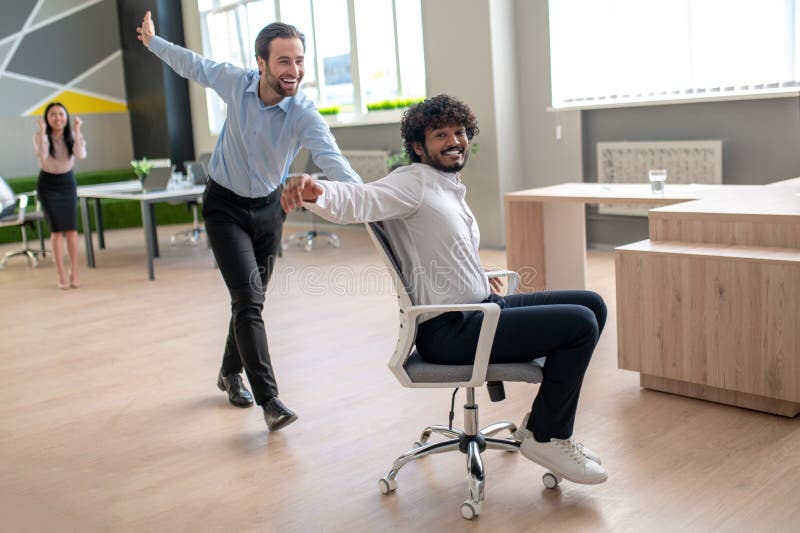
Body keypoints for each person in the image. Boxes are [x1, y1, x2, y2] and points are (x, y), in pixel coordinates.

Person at [281, 95, 608, 485]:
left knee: (592, 303)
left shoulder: (444, 184)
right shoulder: (412, 182)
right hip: (452, 331)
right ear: (419, 147)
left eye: (460, 132)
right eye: (441, 135)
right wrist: (316, 189)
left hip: (479, 307)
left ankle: (541, 425)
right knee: (580, 323)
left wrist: (475, 273)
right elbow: (360, 200)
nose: (454, 140)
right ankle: (548, 435)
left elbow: (442, 247)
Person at [136, 11, 361, 431]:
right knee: (249, 300)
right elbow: (192, 64)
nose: (294, 71)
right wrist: (152, 42)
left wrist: (372, 203)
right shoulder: (234, 82)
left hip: (269, 211)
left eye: (299, 61)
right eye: (283, 61)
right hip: (224, 208)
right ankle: (269, 399)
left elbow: (335, 161)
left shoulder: (304, 114)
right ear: (261, 63)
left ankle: (228, 372)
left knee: (249, 299)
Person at [33, 102, 86, 290]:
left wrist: (77, 131)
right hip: (47, 185)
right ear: (47, 118)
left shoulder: (72, 135)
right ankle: (61, 273)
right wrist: (42, 133)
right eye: (53, 115)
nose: (57, 118)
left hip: (67, 184)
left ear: (66, 116)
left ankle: (75, 272)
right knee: (56, 232)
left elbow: (81, 154)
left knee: (71, 230)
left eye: (61, 114)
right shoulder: (40, 136)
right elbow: (43, 155)